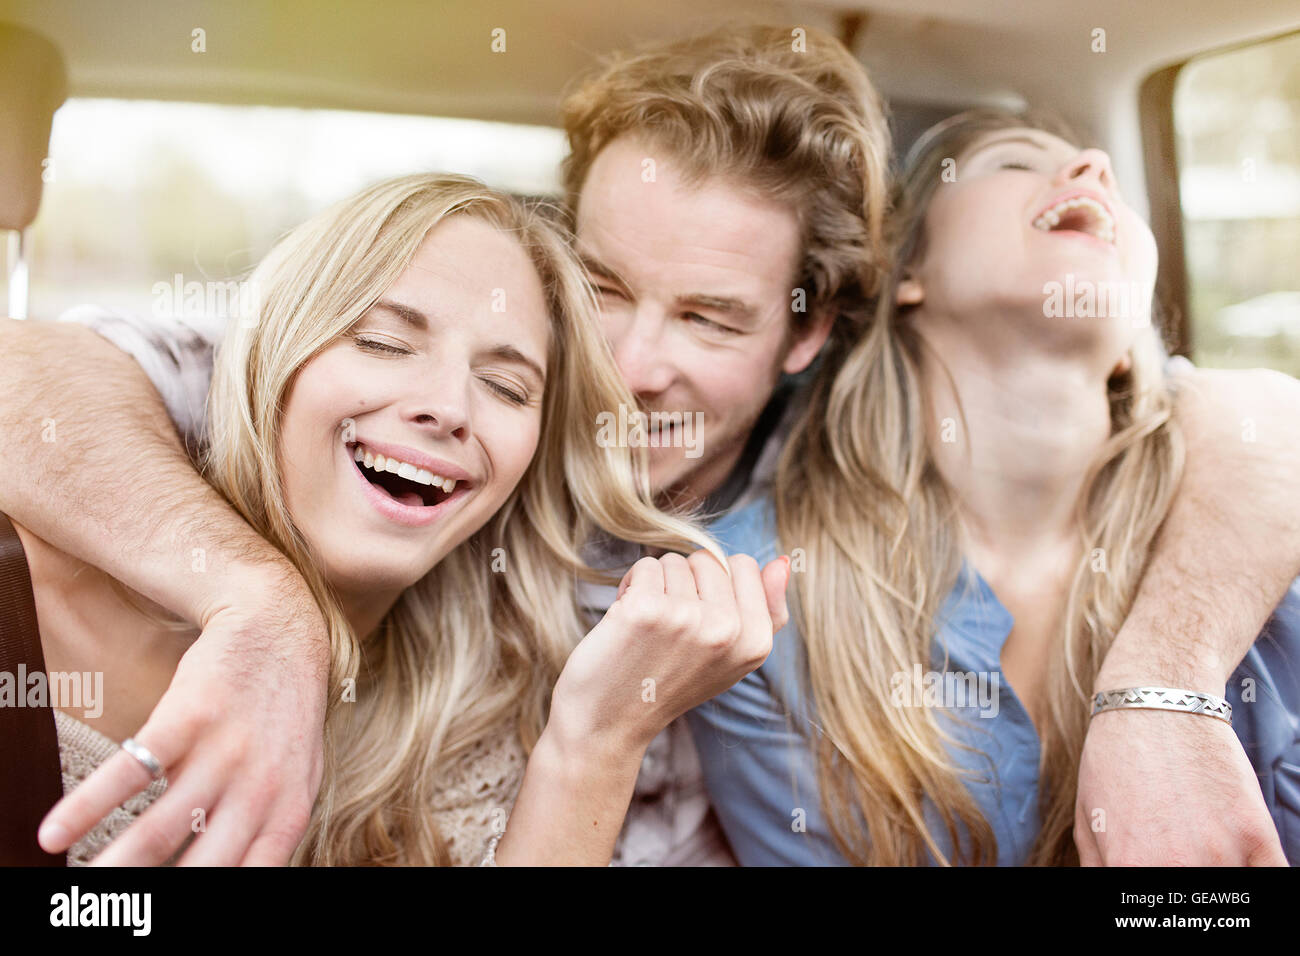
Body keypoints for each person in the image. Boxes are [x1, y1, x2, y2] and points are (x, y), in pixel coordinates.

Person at [2, 26, 1298, 866]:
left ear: (806, 337)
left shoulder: (774, 561)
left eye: (710, 319)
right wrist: (260, 602)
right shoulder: (411, 369)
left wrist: (1161, 686)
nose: (628, 364)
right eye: (604, 288)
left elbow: (1249, 420)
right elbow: (28, 379)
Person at [3, 172, 787, 865]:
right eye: (382, 342)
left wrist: (596, 745)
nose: (447, 407)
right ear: (270, 362)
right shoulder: (24, 607)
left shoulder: (490, 715)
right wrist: (266, 608)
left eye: (508, 389)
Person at [689, 109, 1300, 865]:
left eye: (1103, 169)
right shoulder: (762, 594)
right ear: (906, 271)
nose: (1095, 170)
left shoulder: (1250, 528)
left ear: (1130, 340)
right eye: (1014, 163)